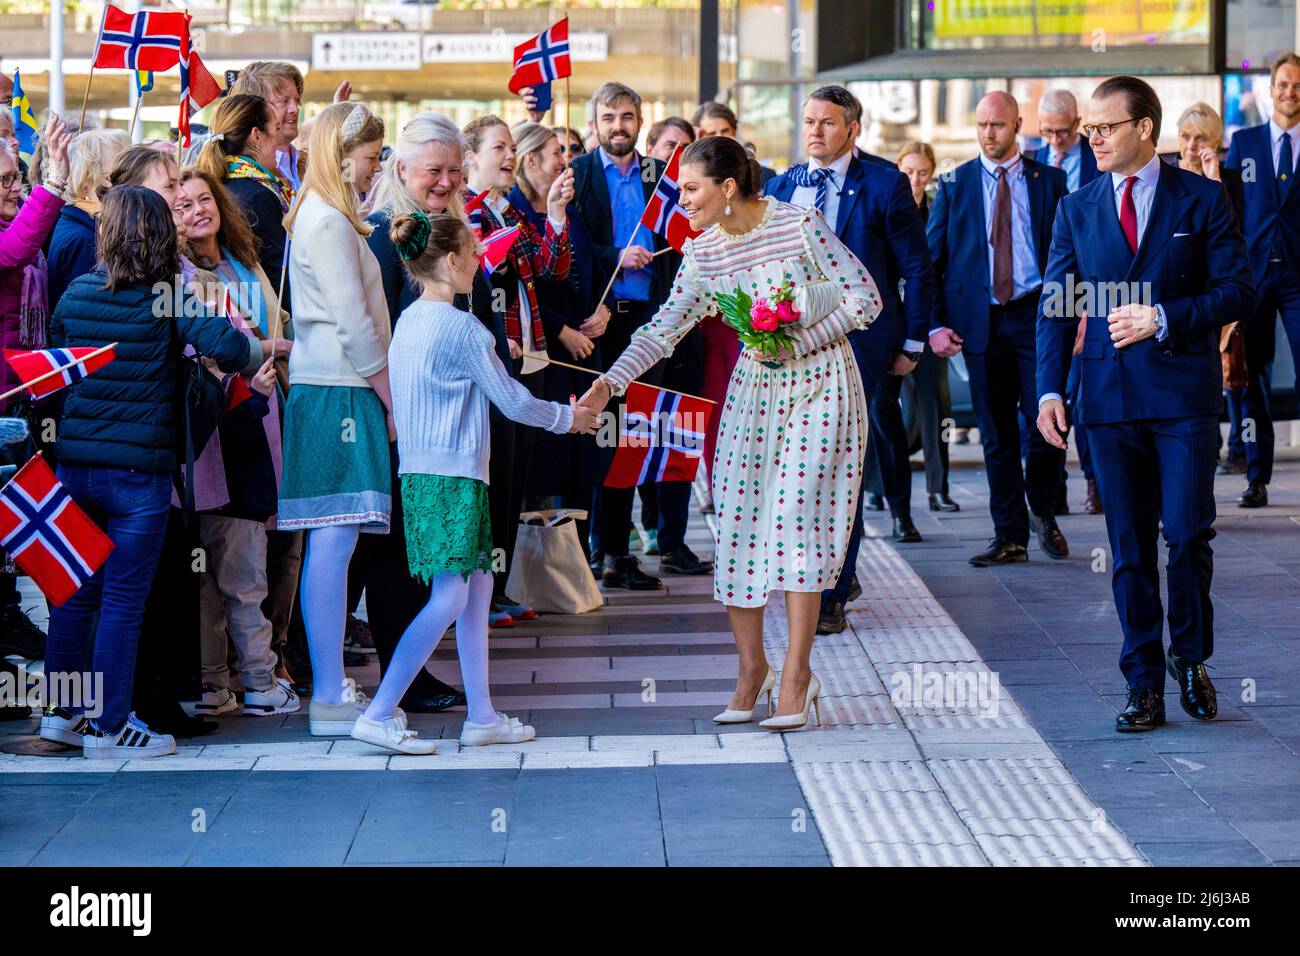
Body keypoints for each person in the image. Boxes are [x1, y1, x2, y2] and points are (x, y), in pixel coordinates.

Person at [578, 136, 882, 730]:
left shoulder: (800, 224)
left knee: (797, 516)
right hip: (753, 389)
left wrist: (797, 335)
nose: (680, 199)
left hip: (822, 382)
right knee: (739, 521)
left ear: (728, 188)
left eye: (689, 188)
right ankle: (752, 672)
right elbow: (663, 330)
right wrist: (609, 384)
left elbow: (864, 298)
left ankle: (797, 677)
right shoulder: (703, 252)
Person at [1037, 75, 1254, 733]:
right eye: (1089, 129)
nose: (1092, 136)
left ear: (1144, 130)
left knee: (1186, 533)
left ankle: (1191, 656)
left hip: (1183, 398)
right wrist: (1050, 389)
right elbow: (1056, 304)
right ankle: (1144, 683)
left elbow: (1238, 292)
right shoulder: (1077, 207)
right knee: (1128, 547)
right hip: (1107, 399)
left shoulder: (1204, 199)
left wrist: (1163, 315)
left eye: (1105, 126)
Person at [354, 211, 600, 754]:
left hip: (427, 475)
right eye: (473, 252)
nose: (479, 261)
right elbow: (511, 400)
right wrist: (569, 419)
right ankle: (378, 711)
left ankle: (482, 715)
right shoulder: (463, 327)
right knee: (451, 596)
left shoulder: (410, 320)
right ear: (450, 261)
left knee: (475, 590)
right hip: (454, 478)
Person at [40, 184, 256, 757]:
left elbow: (56, 364)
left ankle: (62, 715)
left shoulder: (77, 292)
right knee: (122, 603)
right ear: (162, 235)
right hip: (138, 477)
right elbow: (231, 349)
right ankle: (111, 726)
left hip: (75, 470)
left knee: (74, 595)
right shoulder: (169, 296)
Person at [766, 86, 935, 636]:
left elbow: (917, 268)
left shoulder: (885, 183)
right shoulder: (781, 186)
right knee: (797, 465)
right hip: (794, 348)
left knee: (839, 465)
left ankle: (833, 591)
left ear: (853, 129)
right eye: (809, 120)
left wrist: (912, 343)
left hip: (862, 344)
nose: (815, 131)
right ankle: (811, 575)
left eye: (828, 123)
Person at [278, 101, 394, 737]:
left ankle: (327, 686)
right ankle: (326, 691)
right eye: (373, 155)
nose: (377, 166)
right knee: (333, 538)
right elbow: (353, 321)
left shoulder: (325, 214)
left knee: (334, 540)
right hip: (339, 387)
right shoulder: (326, 220)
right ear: (343, 154)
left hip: (335, 384)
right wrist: (387, 393)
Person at [568, 82, 711, 587]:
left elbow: (691, 231)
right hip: (608, 324)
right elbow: (573, 252)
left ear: (639, 121)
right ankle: (611, 553)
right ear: (595, 123)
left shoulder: (661, 177)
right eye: (609, 117)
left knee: (673, 427)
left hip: (665, 319)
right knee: (614, 438)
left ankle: (672, 541)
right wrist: (614, 262)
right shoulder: (579, 176)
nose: (619, 126)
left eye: (627, 116)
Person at [175, 168, 300, 719]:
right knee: (231, 560)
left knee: (276, 547)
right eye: (184, 204)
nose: (199, 210)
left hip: (267, 410)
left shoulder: (242, 260)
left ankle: (263, 665)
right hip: (226, 424)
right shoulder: (183, 275)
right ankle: (237, 677)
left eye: (205, 198)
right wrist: (271, 349)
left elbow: (274, 319)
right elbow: (217, 348)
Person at [927, 91, 1070, 567]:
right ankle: (1009, 534)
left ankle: (1043, 509)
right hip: (980, 324)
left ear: (1018, 125)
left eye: (998, 126)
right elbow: (932, 261)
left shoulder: (1049, 181)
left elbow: (1071, 256)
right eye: (982, 125)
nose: (989, 134)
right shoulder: (955, 183)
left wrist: (1079, 314)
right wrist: (934, 324)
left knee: (1046, 421)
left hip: (1037, 317)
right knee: (995, 434)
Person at [358, 111, 471, 712]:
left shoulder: (446, 224)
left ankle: (411, 671)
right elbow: (375, 329)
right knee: (396, 553)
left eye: (455, 169)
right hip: (401, 418)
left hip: (441, 419)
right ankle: (398, 678)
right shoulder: (384, 232)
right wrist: (393, 407)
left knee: (420, 552)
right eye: (434, 170)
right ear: (402, 169)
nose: (447, 180)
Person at [462, 115, 576, 621]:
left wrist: (554, 213)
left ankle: (500, 589)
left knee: (516, 477)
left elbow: (553, 269)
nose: (509, 157)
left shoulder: (511, 209)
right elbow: (463, 288)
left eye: (511, 148)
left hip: (531, 359)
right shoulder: (462, 214)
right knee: (494, 478)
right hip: (493, 365)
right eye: (498, 149)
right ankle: (478, 594)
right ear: (472, 158)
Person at [510, 122, 608, 549]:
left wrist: (602, 310)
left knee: (583, 455)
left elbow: (587, 266)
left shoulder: (570, 207)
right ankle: (539, 559)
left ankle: (576, 554)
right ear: (530, 160)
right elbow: (528, 285)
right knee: (544, 460)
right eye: (556, 152)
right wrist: (563, 329)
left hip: (586, 348)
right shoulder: (516, 213)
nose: (564, 163)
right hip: (546, 353)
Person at [0, 116, 71, 661]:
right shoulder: (12, 241)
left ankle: (8, 624)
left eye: (15, 178)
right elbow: (17, 248)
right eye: (4, 181)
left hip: (20, 404)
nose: (14, 187)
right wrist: (52, 183)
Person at [1224, 52, 1300, 511]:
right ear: (1270, 89)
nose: (1290, 92)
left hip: (1298, 278)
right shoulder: (1244, 142)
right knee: (1254, 380)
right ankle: (1256, 476)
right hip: (1252, 278)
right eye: (1284, 84)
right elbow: (1231, 211)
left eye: (1297, 85)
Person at [897, 140, 958, 514]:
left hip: (928, 322)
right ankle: (878, 486)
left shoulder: (937, 210)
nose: (916, 180)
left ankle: (939, 488)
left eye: (922, 172)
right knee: (885, 410)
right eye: (909, 171)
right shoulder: (887, 207)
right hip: (890, 321)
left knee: (937, 405)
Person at [196, 94, 294, 314]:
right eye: (275, 129)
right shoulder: (259, 196)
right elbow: (277, 275)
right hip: (264, 320)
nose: (279, 140)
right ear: (256, 136)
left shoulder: (219, 184)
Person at [46, 128, 130, 314]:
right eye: (118, 175)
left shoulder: (90, 225)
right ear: (84, 184)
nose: (132, 182)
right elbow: (88, 316)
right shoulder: (84, 239)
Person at [230, 61, 308, 191]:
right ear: (254, 109)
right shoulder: (242, 176)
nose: (295, 109)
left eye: (297, 100)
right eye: (284, 101)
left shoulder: (311, 164)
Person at [1024, 89, 1101, 192]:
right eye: (1048, 131)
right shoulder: (1031, 161)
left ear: (1077, 123)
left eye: (1063, 131)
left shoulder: (1098, 154)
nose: (1055, 141)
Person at [693, 101, 776, 185]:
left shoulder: (765, 177)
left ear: (734, 130)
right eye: (712, 133)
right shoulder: (692, 177)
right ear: (699, 137)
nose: (720, 137)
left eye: (725, 131)